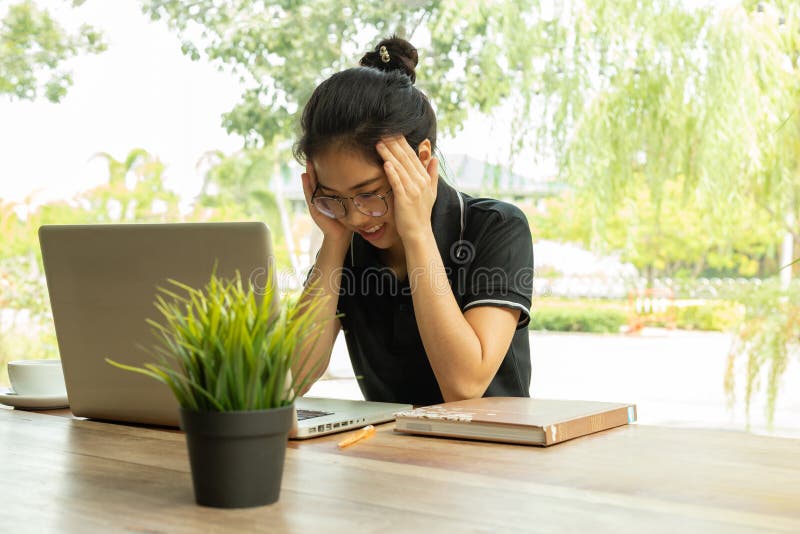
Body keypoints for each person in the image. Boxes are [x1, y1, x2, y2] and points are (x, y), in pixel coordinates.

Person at [293, 36, 533, 406]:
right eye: (335, 198)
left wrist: (418, 232)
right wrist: (334, 240)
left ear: (421, 159)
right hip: (387, 455)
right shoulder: (347, 244)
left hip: (492, 455)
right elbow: (289, 378)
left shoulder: (495, 227)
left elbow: (464, 387)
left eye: (369, 192)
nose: (356, 216)